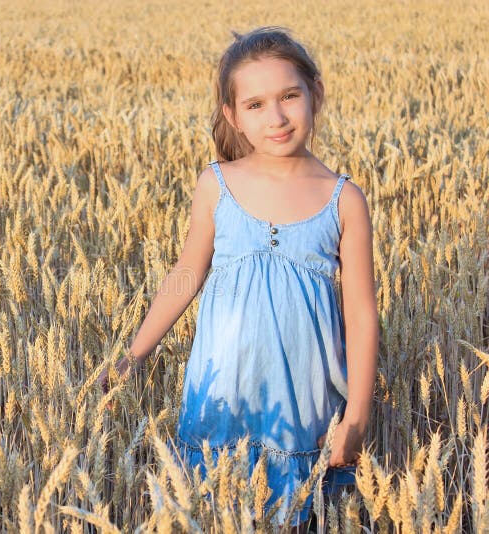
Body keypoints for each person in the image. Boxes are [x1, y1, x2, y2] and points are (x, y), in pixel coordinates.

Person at [96, 26, 379, 530]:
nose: (275, 117)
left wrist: (357, 414)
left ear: (315, 93)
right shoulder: (217, 184)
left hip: (304, 403)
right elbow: (186, 273)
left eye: (289, 96)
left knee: (296, 515)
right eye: (255, 105)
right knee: (208, 507)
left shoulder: (344, 200)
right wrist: (134, 354)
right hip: (220, 394)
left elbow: (360, 313)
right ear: (232, 115)